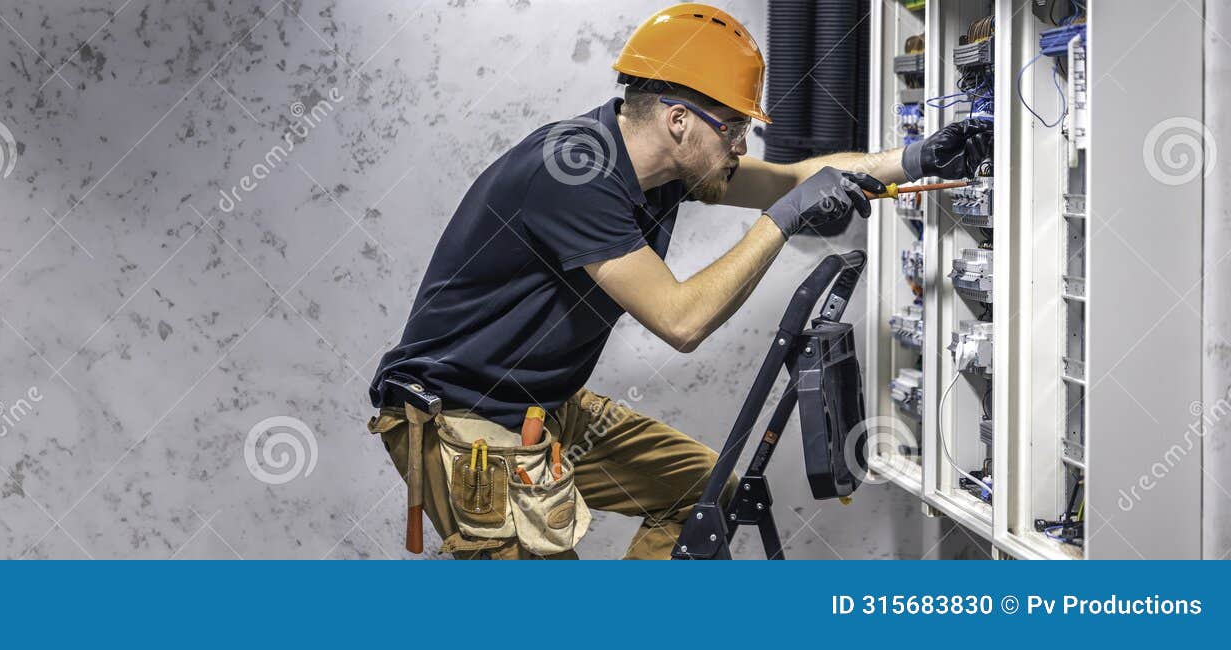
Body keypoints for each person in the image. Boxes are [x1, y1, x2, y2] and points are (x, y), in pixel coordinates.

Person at [367, 3, 991, 559]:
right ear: (678, 120)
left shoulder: (668, 170)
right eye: (734, 128)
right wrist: (781, 222)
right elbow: (680, 320)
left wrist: (916, 159)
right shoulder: (572, 172)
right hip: (460, 417)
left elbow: (792, 177)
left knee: (702, 492)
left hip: (540, 403)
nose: (741, 145)